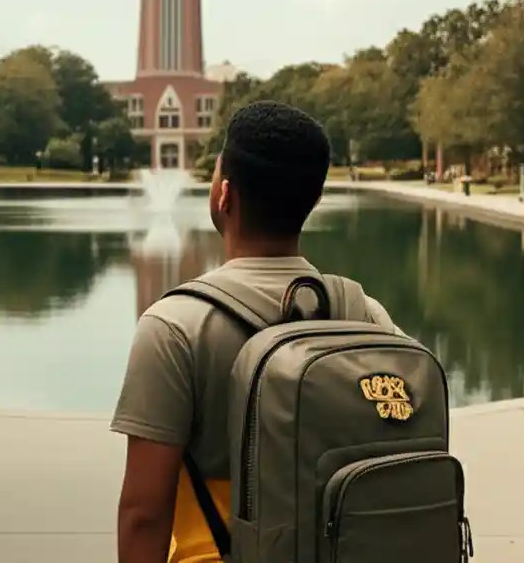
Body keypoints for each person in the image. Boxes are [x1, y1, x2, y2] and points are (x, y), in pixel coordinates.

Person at [110, 101, 406, 563]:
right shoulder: (366, 315)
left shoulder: (175, 327)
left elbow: (143, 515)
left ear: (224, 195)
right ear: (313, 199)